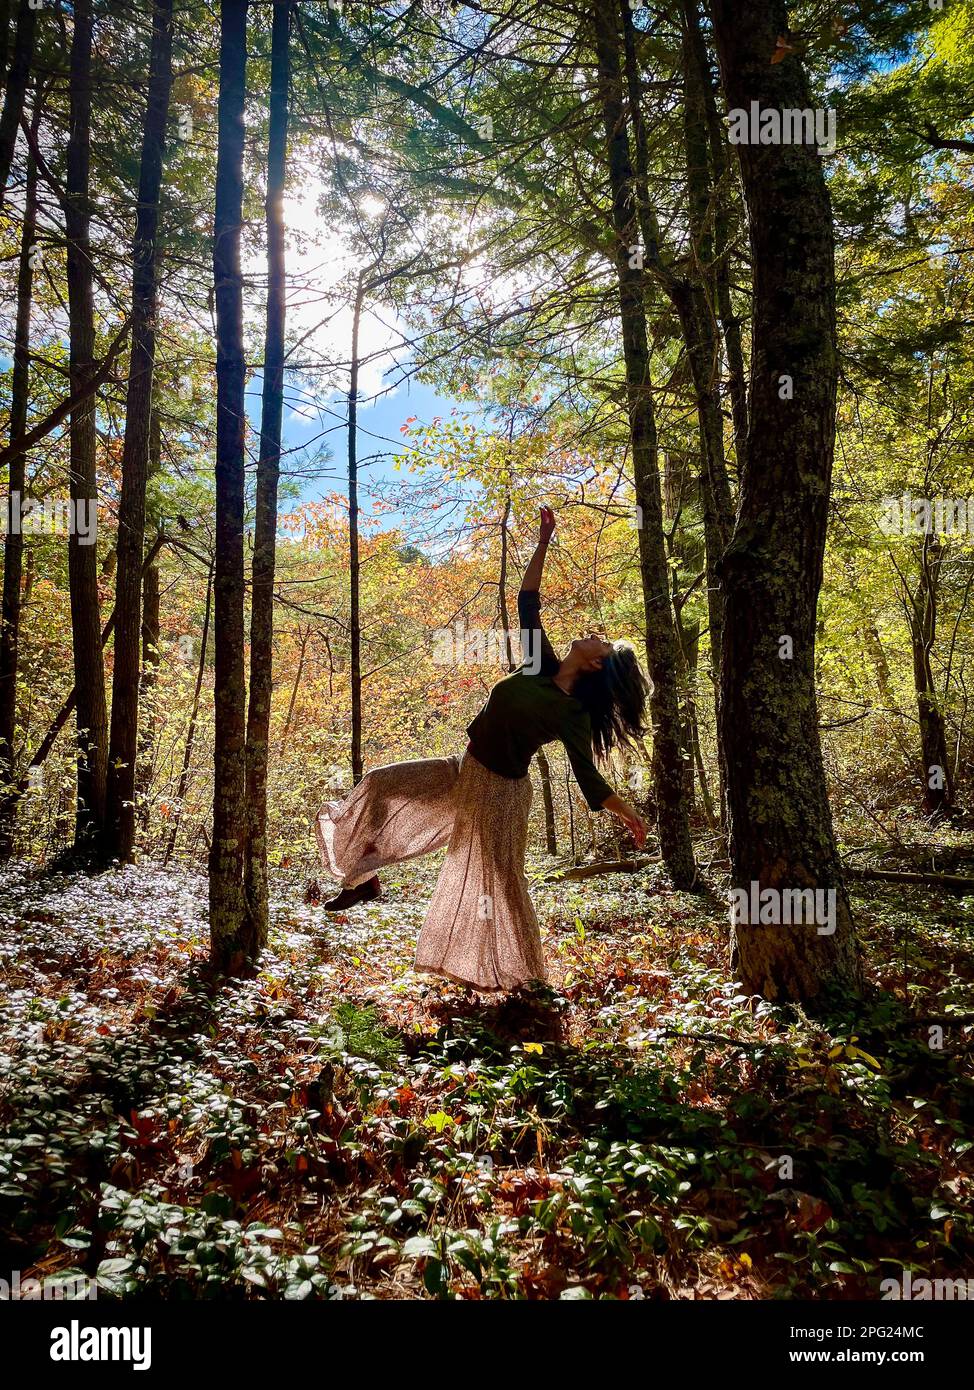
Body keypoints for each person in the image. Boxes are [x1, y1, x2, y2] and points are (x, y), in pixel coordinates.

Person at [315, 506, 649, 992]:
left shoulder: (572, 712)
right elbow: (527, 600)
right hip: (463, 769)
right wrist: (542, 543)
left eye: (602, 643)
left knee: (500, 881)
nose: (595, 634)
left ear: (597, 667)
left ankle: (528, 979)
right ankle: (365, 877)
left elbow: (588, 780)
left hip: (500, 793)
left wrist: (627, 814)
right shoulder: (539, 665)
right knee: (381, 784)